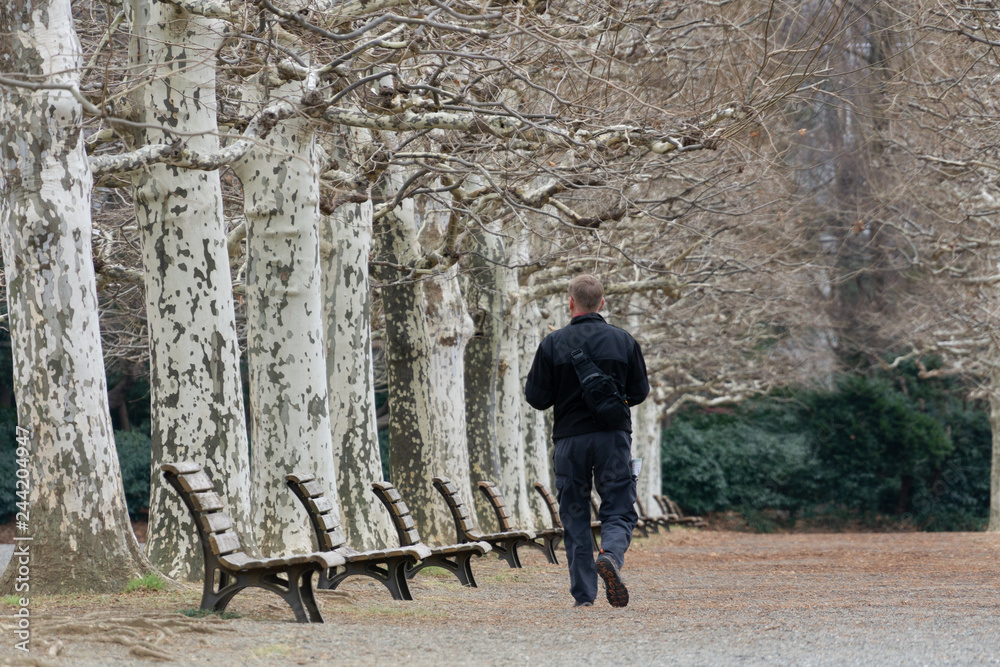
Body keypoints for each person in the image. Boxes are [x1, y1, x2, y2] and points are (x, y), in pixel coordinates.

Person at [525, 274, 649, 608]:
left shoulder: (554, 344)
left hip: (570, 440)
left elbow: (536, 398)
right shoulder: (624, 341)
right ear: (603, 303)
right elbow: (639, 392)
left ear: (570, 302)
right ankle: (609, 555)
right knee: (619, 507)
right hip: (613, 439)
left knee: (575, 515)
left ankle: (584, 596)